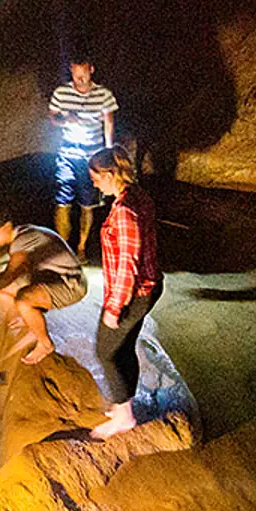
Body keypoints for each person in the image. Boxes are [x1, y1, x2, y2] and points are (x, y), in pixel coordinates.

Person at [87, 146, 162, 439]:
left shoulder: (125, 211)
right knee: (123, 347)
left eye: (95, 178)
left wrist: (114, 309)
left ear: (109, 175)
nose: (93, 183)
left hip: (135, 293)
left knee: (105, 351)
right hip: (147, 286)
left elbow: (127, 263)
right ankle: (124, 406)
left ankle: (124, 416)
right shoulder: (137, 195)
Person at [0, 221, 87, 365]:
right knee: (3, 287)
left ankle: (45, 344)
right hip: (59, 278)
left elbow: (8, 276)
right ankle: (30, 322)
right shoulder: (26, 231)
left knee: (23, 301)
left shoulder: (22, 241)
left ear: (6, 226)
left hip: (71, 286)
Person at [49, 57, 117, 261]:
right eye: (75, 74)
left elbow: (109, 124)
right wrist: (65, 119)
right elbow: (53, 117)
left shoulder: (103, 95)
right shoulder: (62, 93)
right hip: (68, 153)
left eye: (83, 74)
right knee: (63, 198)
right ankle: (62, 248)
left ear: (91, 70)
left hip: (92, 155)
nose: (79, 78)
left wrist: (108, 153)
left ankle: (81, 247)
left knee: (87, 202)